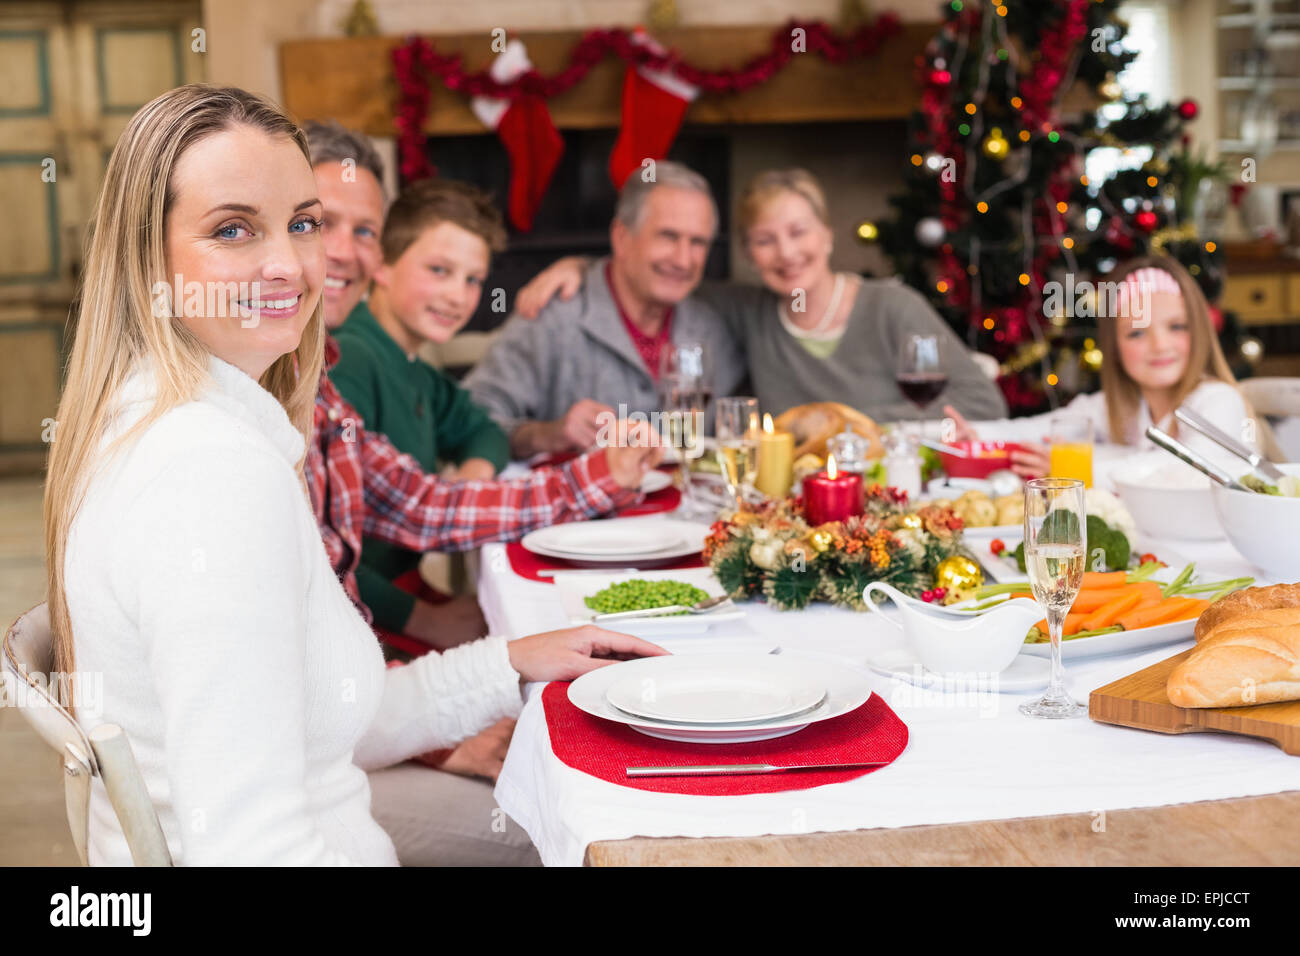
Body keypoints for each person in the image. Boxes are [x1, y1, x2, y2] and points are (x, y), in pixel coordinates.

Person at [45, 84, 665, 866]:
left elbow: (326, 715)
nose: (292, 263)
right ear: (146, 261)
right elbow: (251, 848)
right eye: (233, 229)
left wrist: (512, 660)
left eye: (300, 222)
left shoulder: (200, 427)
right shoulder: (210, 477)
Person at [304, 122, 660, 862]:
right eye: (314, 223)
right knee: (560, 796)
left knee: (558, 701)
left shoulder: (327, 381)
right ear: (389, 269)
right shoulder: (333, 373)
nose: (339, 249)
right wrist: (435, 665)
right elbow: (310, 685)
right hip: (321, 757)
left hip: (362, 683)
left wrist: (568, 470)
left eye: (359, 228)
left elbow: (451, 474)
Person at [515, 167, 1009, 424]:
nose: (786, 253)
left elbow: (983, 404)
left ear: (827, 235)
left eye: (798, 232)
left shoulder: (891, 307)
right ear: (750, 254)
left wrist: (850, 424)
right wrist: (577, 266)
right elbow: (656, 275)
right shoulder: (747, 312)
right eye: (765, 240)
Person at [329, 178, 512, 643]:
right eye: (439, 270)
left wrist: (471, 474)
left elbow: (486, 432)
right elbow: (320, 543)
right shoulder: (352, 357)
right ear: (383, 265)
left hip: (404, 594)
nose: (458, 295)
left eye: (473, 280)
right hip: (362, 614)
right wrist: (421, 619)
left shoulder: (414, 366)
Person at [462, 161, 747, 458]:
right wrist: (547, 435)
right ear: (622, 238)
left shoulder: (713, 326)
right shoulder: (554, 316)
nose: (683, 260)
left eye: (698, 242)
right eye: (668, 236)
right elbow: (470, 421)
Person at [941, 256, 1271, 479]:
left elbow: (1184, 471)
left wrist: (1082, 468)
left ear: (1198, 332)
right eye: (1138, 332)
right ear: (1114, 347)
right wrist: (979, 434)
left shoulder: (1217, 399)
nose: (1160, 346)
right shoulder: (1119, 407)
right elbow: (1046, 427)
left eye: (1176, 327)